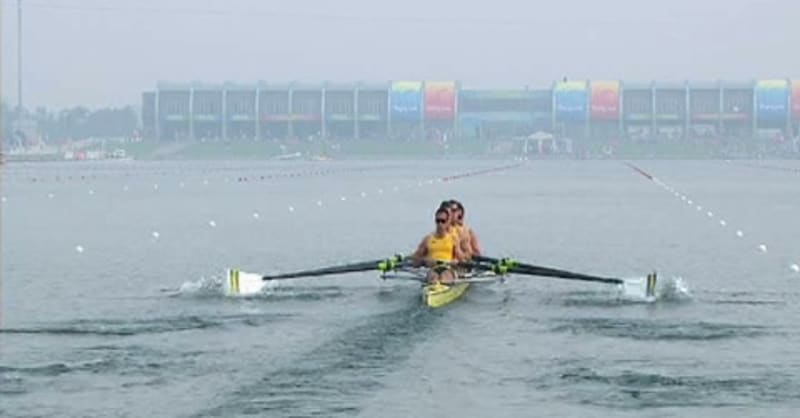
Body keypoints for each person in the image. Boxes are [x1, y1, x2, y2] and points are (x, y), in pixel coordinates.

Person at [413, 207, 465, 284]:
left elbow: (462, 259)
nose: (440, 224)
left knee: (444, 278)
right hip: (433, 269)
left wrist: (456, 261)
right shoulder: (427, 239)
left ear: (447, 222)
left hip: (448, 268)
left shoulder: (453, 239)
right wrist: (424, 260)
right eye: (438, 221)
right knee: (433, 279)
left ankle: (442, 286)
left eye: (443, 221)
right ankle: (434, 287)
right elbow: (416, 259)